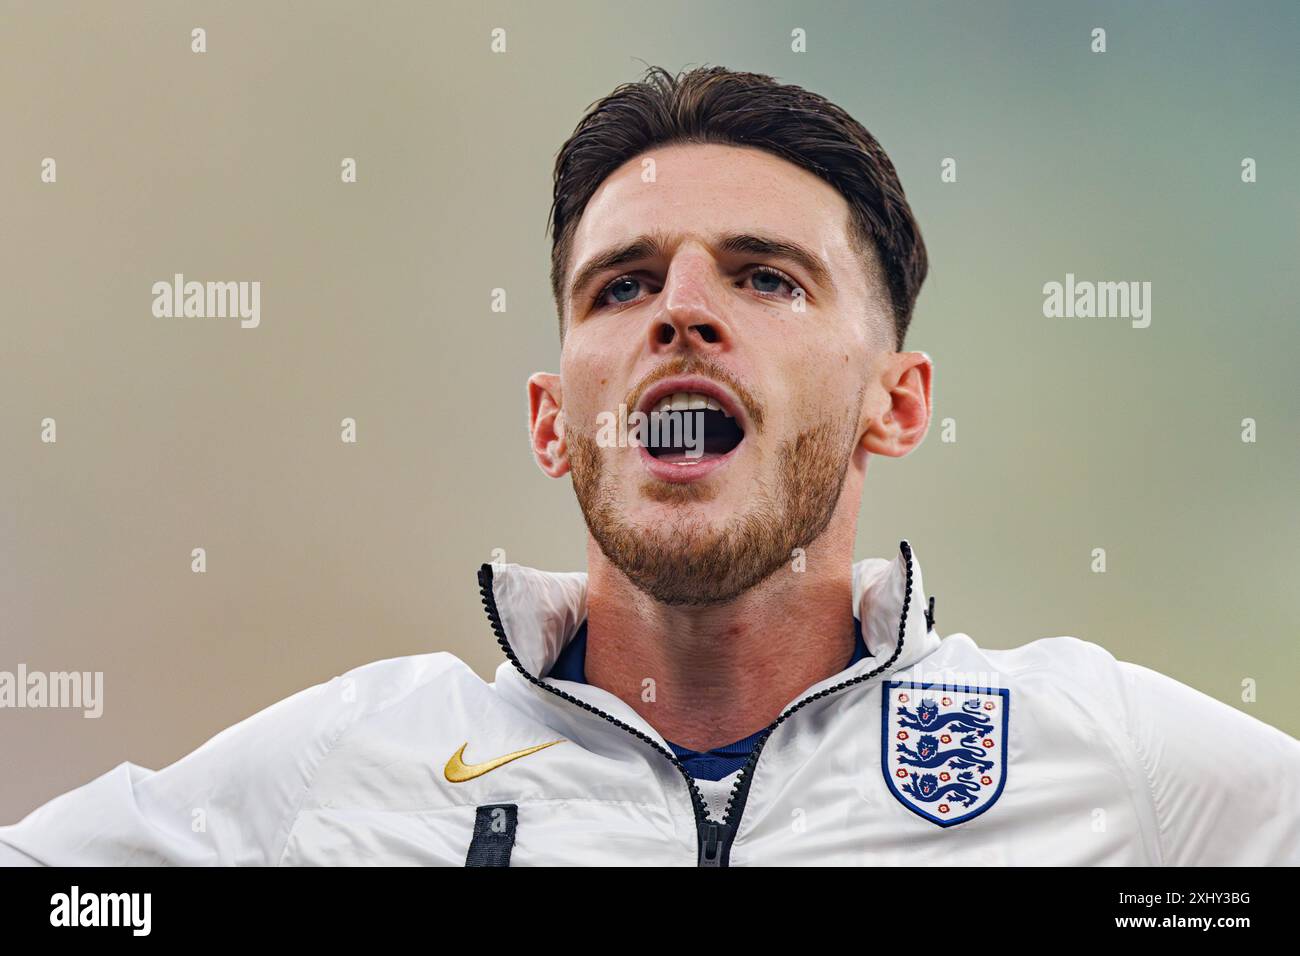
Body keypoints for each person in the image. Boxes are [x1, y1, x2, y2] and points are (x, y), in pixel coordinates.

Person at [3, 66, 1297, 866]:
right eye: (623, 285)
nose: (682, 310)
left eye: (764, 277)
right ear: (553, 418)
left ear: (896, 405)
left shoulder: (1100, 762)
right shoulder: (355, 768)